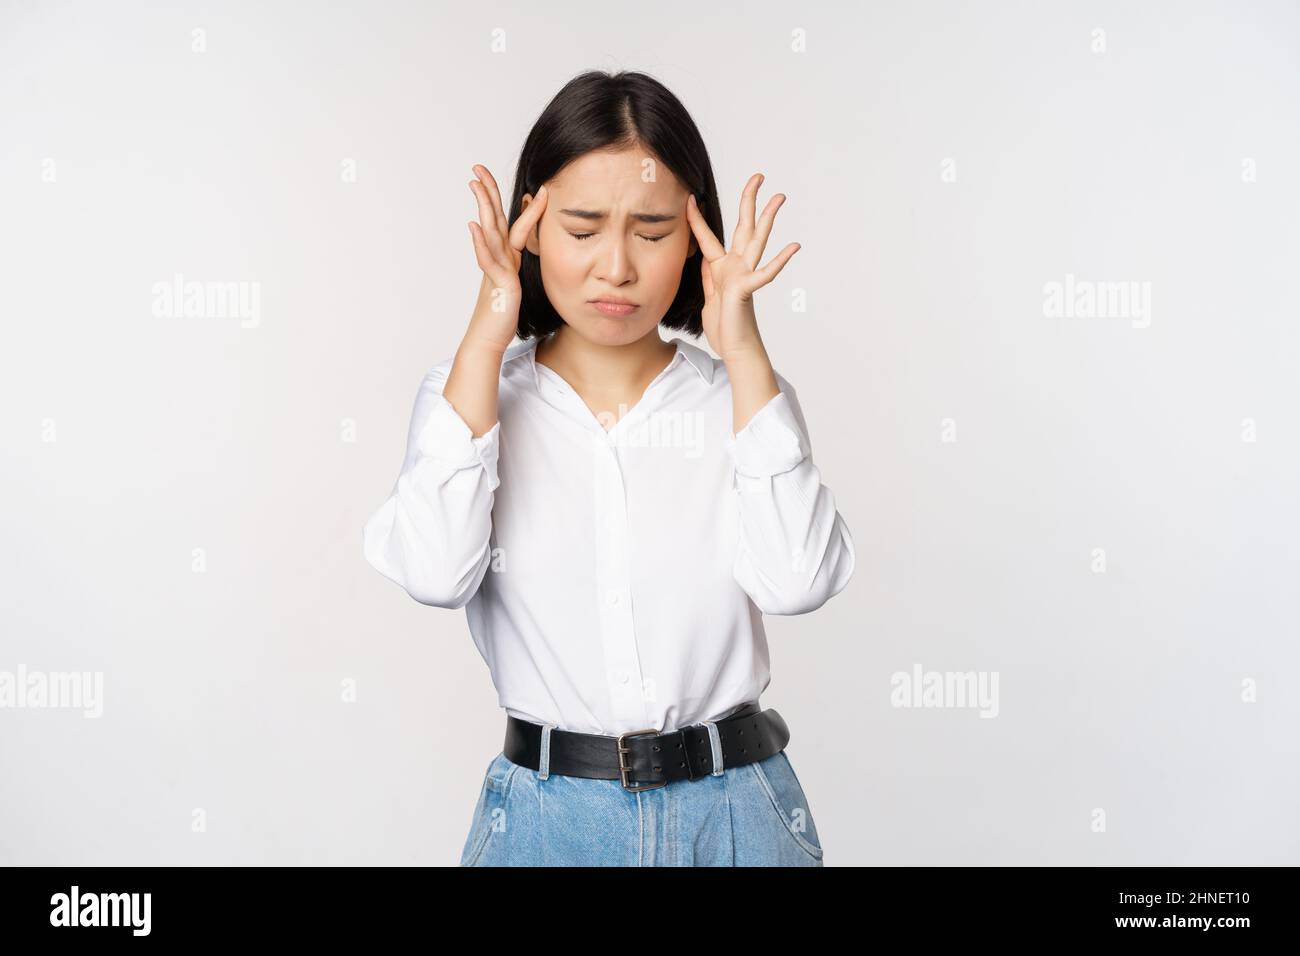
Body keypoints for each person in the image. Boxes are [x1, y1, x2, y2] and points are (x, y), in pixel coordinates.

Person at [362, 70, 856, 866]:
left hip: (735, 817)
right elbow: (433, 572)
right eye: (583, 228)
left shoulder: (738, 398)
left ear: (697, 239)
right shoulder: (472, 394)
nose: (617, 267)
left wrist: (745, 351)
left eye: (653, 231)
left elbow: (799, 582)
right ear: (530, 224)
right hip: (547, 822)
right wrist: (487, 337)